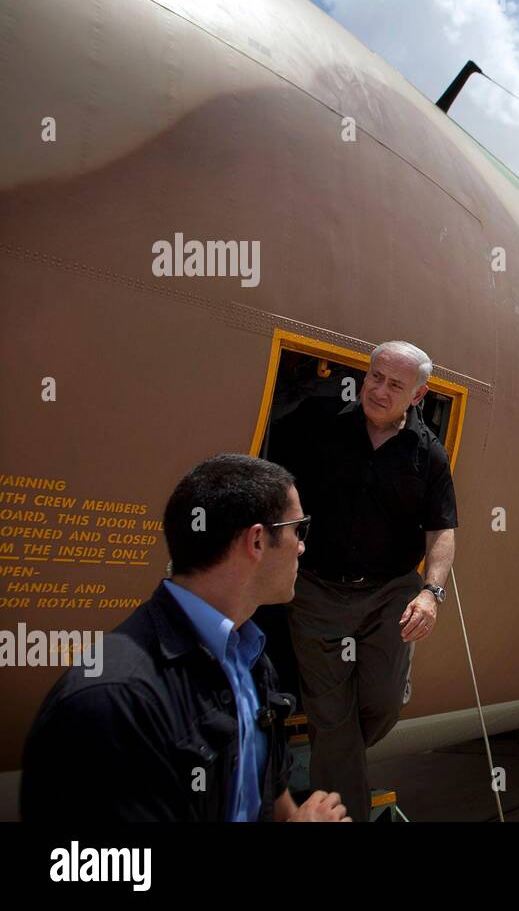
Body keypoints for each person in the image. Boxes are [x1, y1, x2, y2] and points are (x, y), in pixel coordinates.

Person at [21, 454, 348, 821]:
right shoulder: (112, 701)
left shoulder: (252, 659)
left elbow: (271, 801)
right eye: (296, 529)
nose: (302, 546)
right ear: (257, 540)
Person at [271, 340, 457, 821]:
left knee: (384, 704)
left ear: (418, 394)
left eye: (395, 384)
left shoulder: (428, 455)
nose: (378, 390)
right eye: (375, 376)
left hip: (389, 593)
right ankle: (343, 812)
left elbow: (442, 530)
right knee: (330, 717)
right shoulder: (320, 428)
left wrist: (431, 594)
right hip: (316, 591)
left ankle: (333, 759)